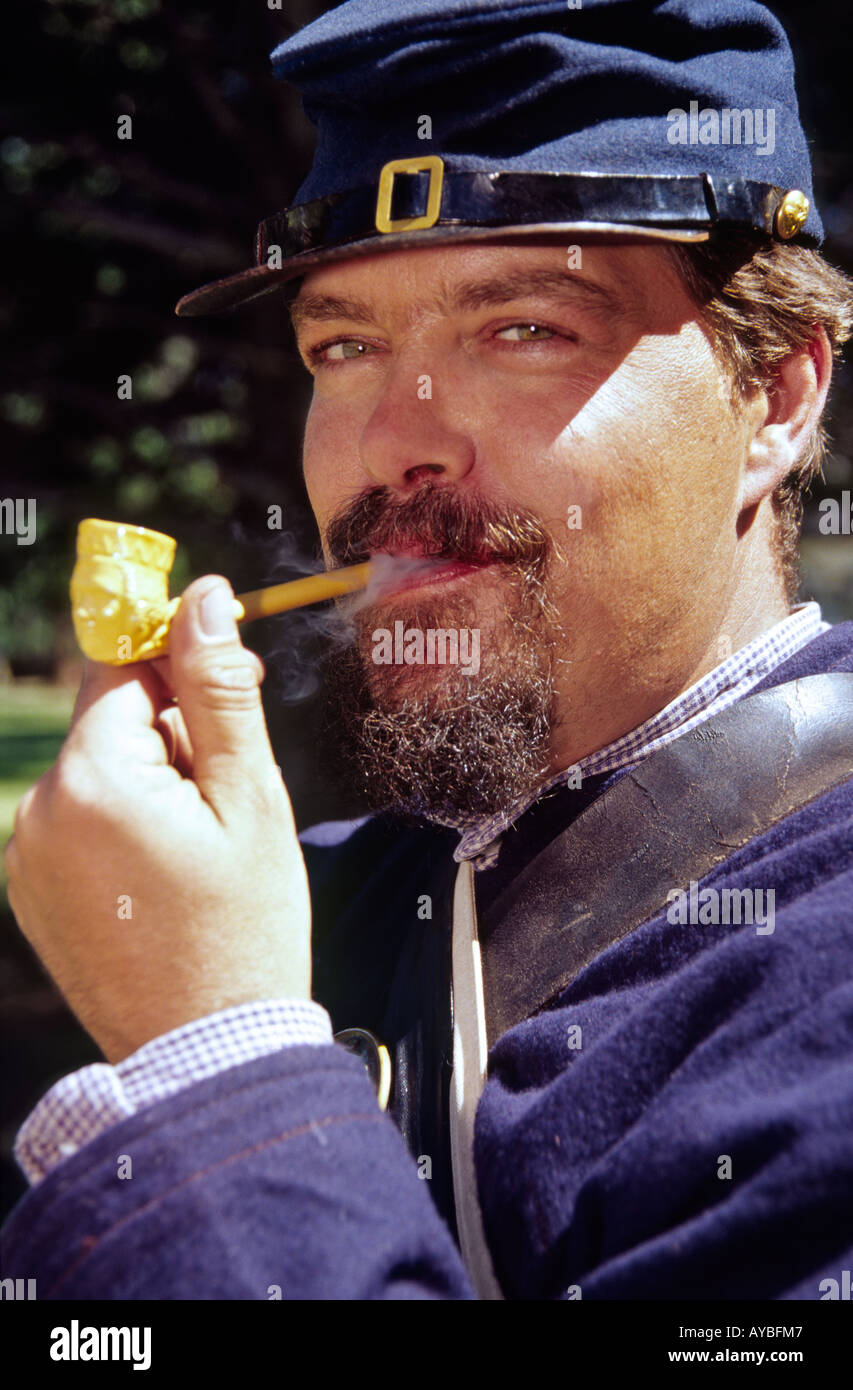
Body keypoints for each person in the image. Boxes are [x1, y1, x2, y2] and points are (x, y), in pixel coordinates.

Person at [2, 0, 853, 1301]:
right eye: (344, 345)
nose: (399, 441)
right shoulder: (281, 914)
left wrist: (221, 1071)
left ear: (776, 397)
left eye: (521, 329)